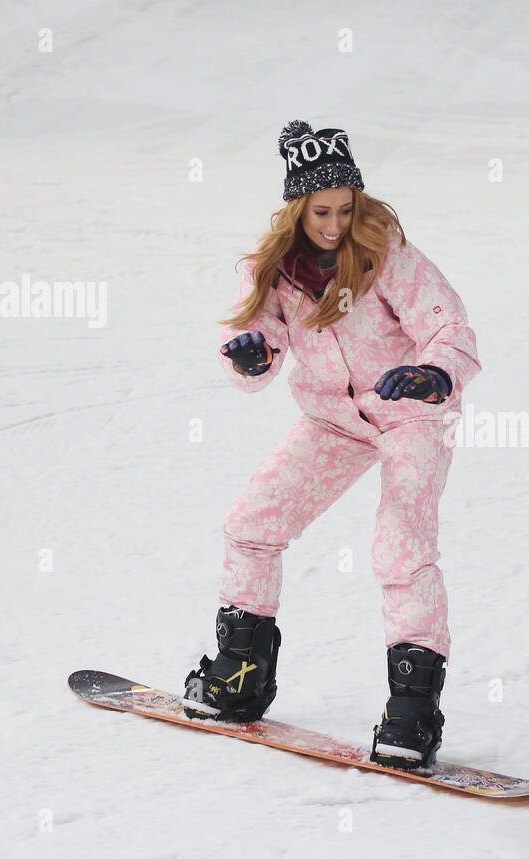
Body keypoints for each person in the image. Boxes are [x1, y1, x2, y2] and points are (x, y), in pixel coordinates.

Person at [184, 120, 481, 770]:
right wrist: (253, 356)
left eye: (346, 209)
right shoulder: (277, 273)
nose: (335, 223)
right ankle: (240, 674)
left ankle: (412, 713)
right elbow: (256, 355)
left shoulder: (389, 257)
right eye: (322, 211)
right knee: (251, 524)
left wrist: (434, 376)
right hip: (332, 424)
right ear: (298, 208)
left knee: (401, 544)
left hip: (409, 415)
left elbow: (449, 327)